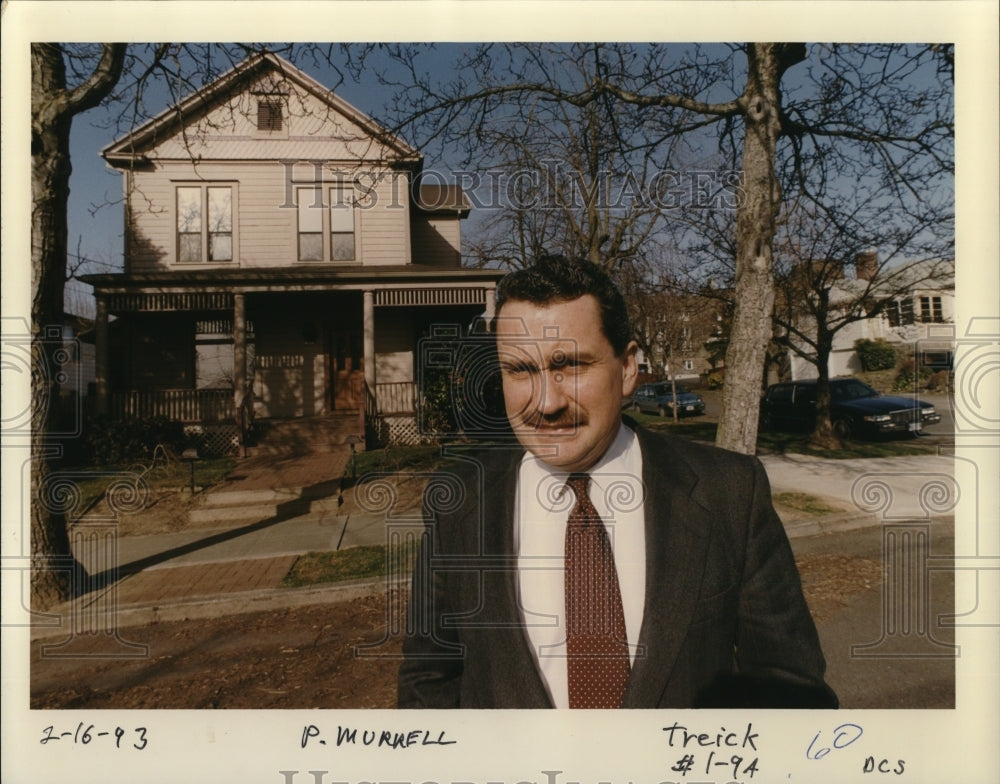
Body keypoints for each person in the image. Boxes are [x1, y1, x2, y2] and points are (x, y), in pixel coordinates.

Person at [398, 255, 837, 709]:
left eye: (568, 365)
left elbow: (790, 689)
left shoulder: (727, 492)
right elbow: (429, 679)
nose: (545, 403)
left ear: (627, 368)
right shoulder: (461, 500)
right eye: (520, 370)